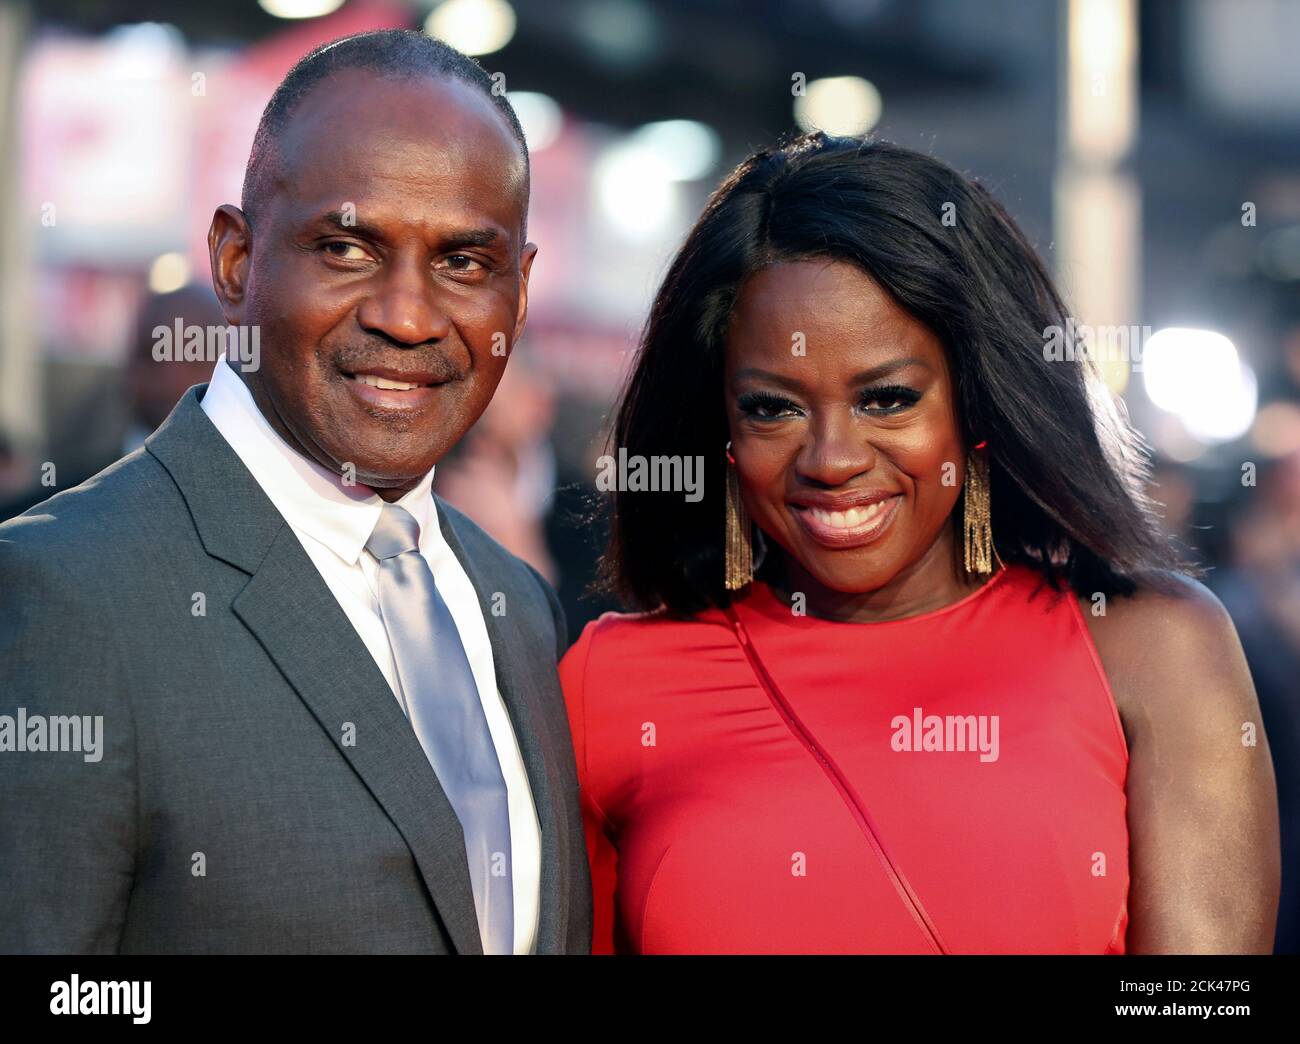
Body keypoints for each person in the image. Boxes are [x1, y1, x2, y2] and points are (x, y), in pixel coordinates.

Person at [560, 133, 1280, 954]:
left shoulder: (1153, 649)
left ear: (977, 400)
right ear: (717, 422)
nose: (831, 459)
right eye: (771, 408)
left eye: (888, 400)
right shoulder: (605, 686)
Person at [0, 29, 590, 955]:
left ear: (519, 294)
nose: (407, 315)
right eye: (349, 247)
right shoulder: (64, 592)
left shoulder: (515, 605)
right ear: (236, 261)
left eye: (465, 264)